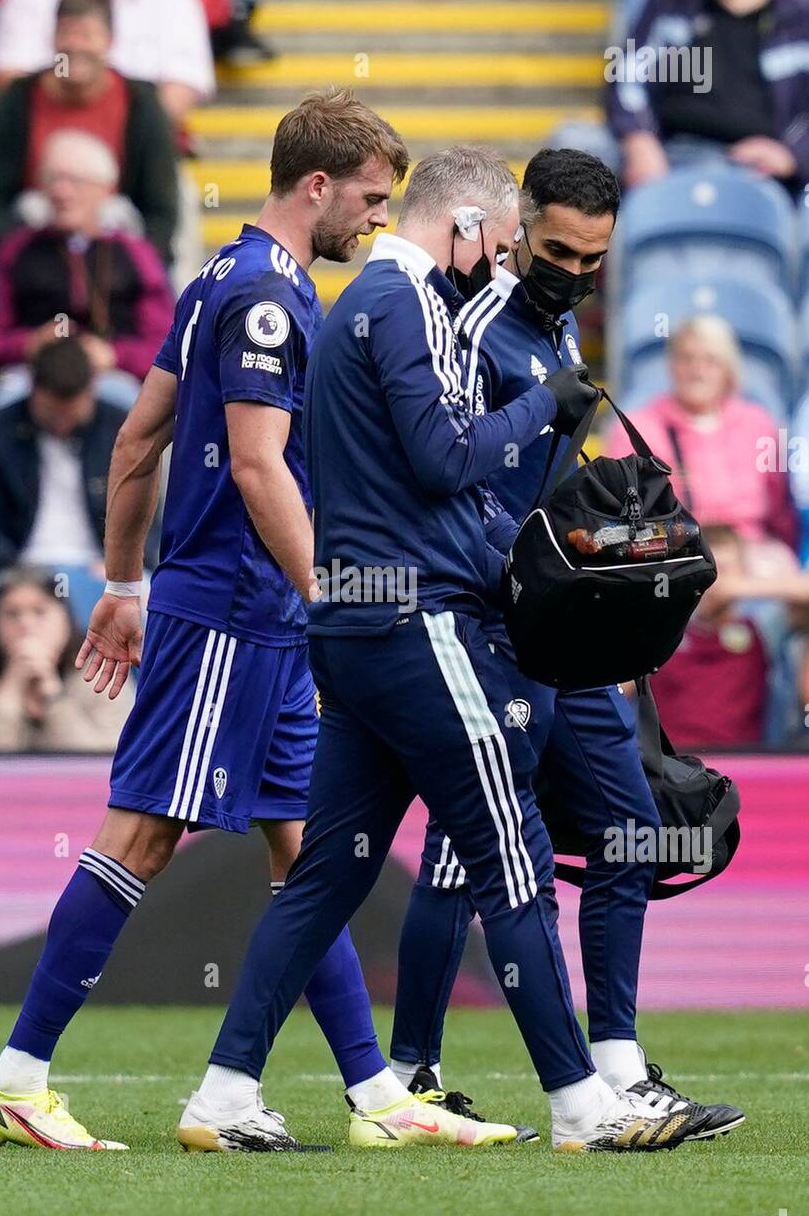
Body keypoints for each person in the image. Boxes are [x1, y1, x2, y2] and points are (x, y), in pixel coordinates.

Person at [192, 145, 712, 1156]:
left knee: (329, 874)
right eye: (508, 241)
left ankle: (222, 1090)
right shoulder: (406, 301)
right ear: (468, 226)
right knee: (511, 859)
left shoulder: (369, 305)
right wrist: (543, 407)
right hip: (416, 623)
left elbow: (420, 477)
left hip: (356, 625)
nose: (510, 261)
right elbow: (445, 460)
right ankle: (581, 1104)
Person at [0, 90, 416, 1154]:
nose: (377, 221)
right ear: (316, 184)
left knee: (304, 854)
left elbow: (136, 444)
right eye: (369, 199)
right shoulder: (268, 298)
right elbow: (256, 465)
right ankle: (18, 1076)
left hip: (240, 613)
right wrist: (328, 600)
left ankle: (375, 1094)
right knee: (145, 832)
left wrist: (123, 587)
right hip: (232, 612)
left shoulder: (220, 273)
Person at [386, 149, 743, 1142]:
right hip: (486, 621)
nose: (573, 270)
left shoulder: (560, 320)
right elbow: (442, 474)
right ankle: (410, 1073)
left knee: (629, 827)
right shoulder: (464, 323)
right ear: (519, 226)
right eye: (555, 250)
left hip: (560, 627)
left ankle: (620, 1065)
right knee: (465, 856)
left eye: (591, 258)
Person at [0, 0, 179, 263]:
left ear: (110, 41)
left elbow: (160, 208)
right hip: (34, 245)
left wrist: (138, 267)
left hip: (117, 246)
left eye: (87, 35)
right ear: (52, 39)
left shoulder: (140, 103)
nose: (75, 46)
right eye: (66, 34)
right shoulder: (18, 100)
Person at [0, 128, 174, 405]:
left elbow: (164, 341)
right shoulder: (17, 250)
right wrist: (29, 344)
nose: (62, 192)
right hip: (31, 374)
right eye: (52, 180)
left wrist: (114, 355)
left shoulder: (136, 253)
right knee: (1, 407)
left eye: (75, 181)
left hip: (112, 376)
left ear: (105, 190)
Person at [608, 0, 809, 193]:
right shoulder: (669, 1)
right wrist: (638, 138)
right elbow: (625, 78)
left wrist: (792, 155)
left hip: (754, 165)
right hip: (667, 150)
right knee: (575, 144)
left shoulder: (801, 13)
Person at [604, 315, 798, 574]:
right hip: (675, 556)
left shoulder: (758, 424)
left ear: (729, 370)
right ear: (671, 365)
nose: (697, 370)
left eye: (711, 360)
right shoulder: (638, 430)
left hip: (753, 558)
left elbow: (780, 514)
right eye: (687, 358)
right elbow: (625, 517)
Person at [0, 338, 158, 579]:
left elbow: (144, 515)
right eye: (53, 414)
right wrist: (11, 568)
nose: (62, 425)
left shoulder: (122, 429)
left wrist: (121, 564)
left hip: (104, 569)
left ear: (92, 389)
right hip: (19, 571)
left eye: (72, 415)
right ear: (33, 388)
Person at [0, 0, 214, 126]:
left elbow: (181, 88)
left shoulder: (177, 2)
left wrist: (116, 137)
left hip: (142, 157)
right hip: (44, 155)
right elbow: (11, 79)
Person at [651, 522, 809, 748]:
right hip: (675, 764)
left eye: (724, 570)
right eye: (707, 571)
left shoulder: (761, 624)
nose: (714, 581)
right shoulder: (666, 626)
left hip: (743, 762)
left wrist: (739, 588)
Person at [0, 566, 132, 751]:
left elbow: (103, 762)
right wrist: (11, 689)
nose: (26, 624)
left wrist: (52, 697)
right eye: (12, 614)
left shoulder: (102, 675)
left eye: (40, 612)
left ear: (66, 621)